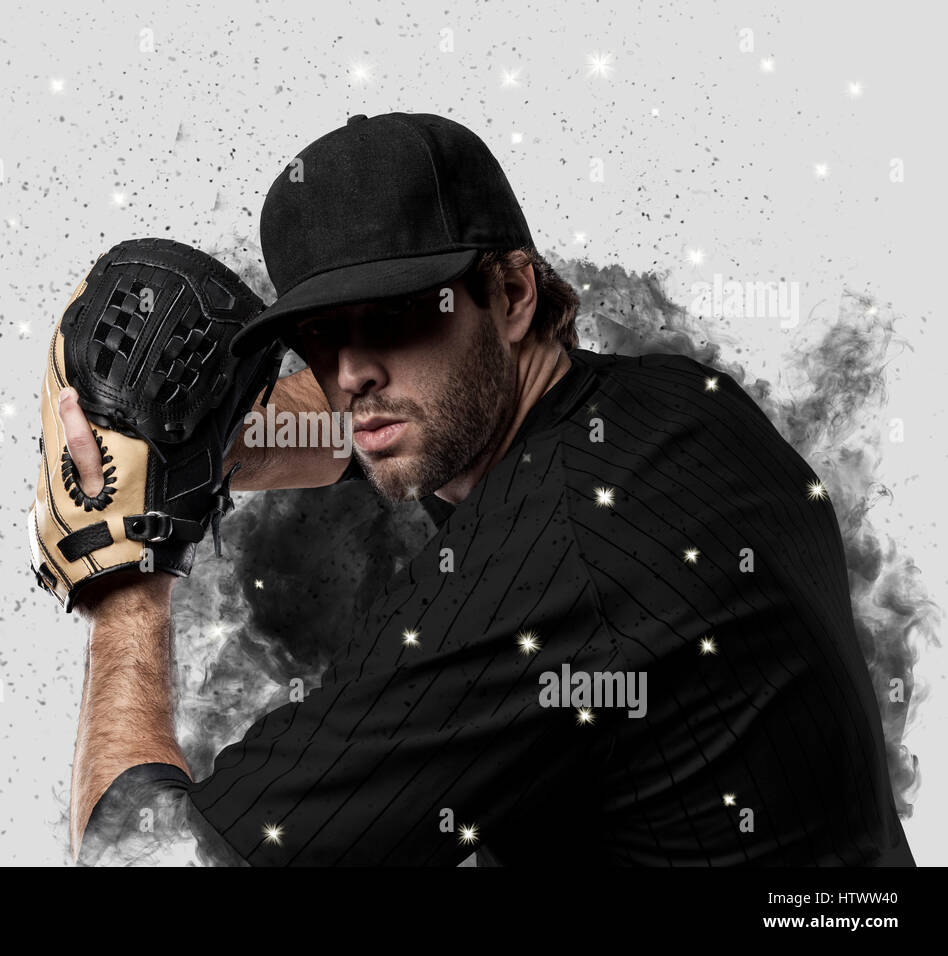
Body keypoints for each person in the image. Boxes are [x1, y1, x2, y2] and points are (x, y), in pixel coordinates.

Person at [57, 112, 914, 866]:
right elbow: (366, 431)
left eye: (393, 313)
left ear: (508, 293)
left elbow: (146, 859)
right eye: (319, 336)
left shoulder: (550, 567)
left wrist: (126, 563)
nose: (351, 374)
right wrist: (188, 452)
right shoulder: (674, 402)